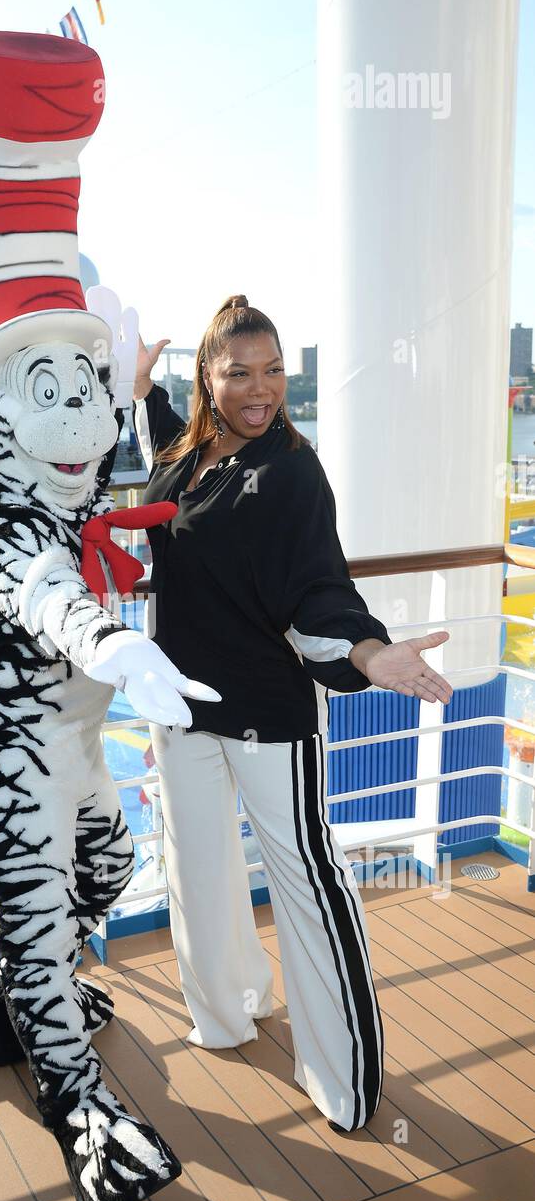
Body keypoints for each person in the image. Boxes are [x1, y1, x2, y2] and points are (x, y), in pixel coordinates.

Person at [134, 295, 454, 1135]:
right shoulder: (187, 453)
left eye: (273, 371)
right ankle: (227, 1013)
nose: (260, 389)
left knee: (310, 887)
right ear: (208, 377)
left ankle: (344, 1077)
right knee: (196, 872)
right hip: (182, 709)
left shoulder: (290, 474)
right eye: (239, 372)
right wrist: (139, 388)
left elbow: (317, 585)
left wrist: (369, 653)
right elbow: (161, 443)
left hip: (266, 717)